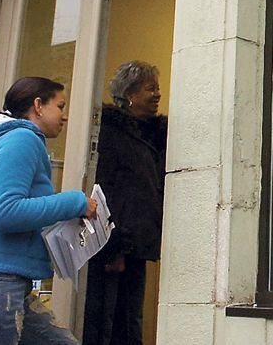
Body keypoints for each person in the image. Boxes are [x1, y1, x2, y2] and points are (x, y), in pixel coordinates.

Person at [0, 77, 97, 345]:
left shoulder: (12, 139)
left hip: (2, 281)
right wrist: (76, 203)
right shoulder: (22, 139)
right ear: (38, 106)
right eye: (60, 106)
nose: (65, 116)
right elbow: (6, 212)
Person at [83, 61, 168, 345]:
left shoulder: (149, 137)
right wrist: (113, 247)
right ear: (130, 93)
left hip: (135, 244)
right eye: (150, 88)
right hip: (114, 245)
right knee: (107, 319)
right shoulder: (112, 135)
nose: (157, 94)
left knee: (130, 317)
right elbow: (107, 189)